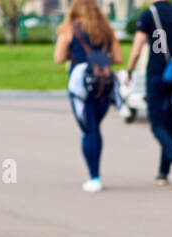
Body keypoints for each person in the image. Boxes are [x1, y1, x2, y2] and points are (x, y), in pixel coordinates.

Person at [53, 0, 122, 193]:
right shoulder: (107, 30)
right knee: (95, 128)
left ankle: (94, 176)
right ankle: (95, 174)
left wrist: (75, 55)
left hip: (80, 84)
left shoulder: (69, 30)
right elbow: (117, 58)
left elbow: (58, 57)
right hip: (103, 84)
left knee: (88, 129)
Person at [124, 0, 172, 188]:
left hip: (156, 74)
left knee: (156, 124)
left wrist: (129, 70)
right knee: (170, 122)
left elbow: (138, 47)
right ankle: (162, 173)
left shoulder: (148, 15)